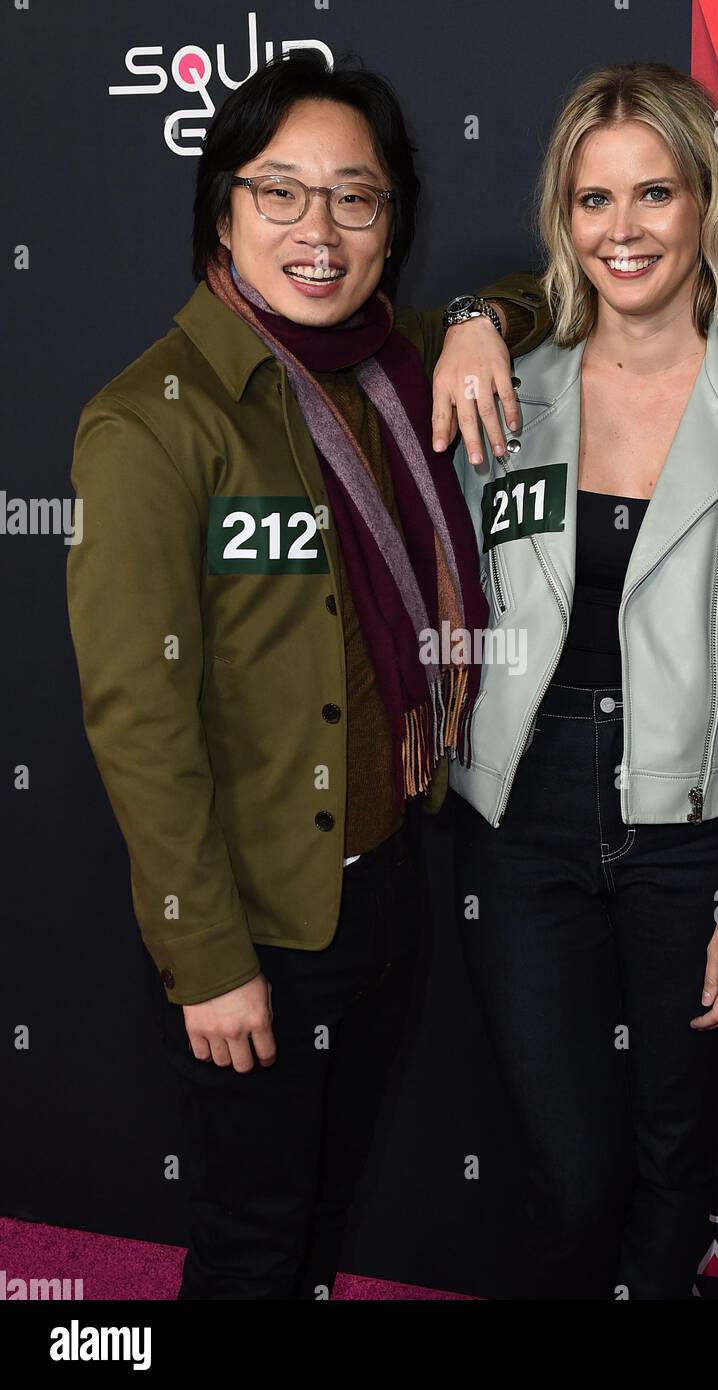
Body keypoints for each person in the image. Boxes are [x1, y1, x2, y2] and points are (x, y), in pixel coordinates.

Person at [66, 51, 550, 1300]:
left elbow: (561, 291)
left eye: (356, 196)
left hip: (385, 885)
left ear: (394, 225)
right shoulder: (159, 420)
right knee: (253, 1241)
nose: (318, 231)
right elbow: (138, 718)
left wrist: (489, 321)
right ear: (222, 209)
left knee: (326, 1216)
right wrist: (207, 957)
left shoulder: (406, 358)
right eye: (280, 192)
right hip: (259, 921)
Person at [449, 62, 718, 1299]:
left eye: (654, 193)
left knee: (676, 1155)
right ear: (562, 220)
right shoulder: (509, 391)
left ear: (707, 203)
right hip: (523, 819)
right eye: (592, 200)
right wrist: (475, 313)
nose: (622, 230)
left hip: (695, 831)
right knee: (568, 1170)